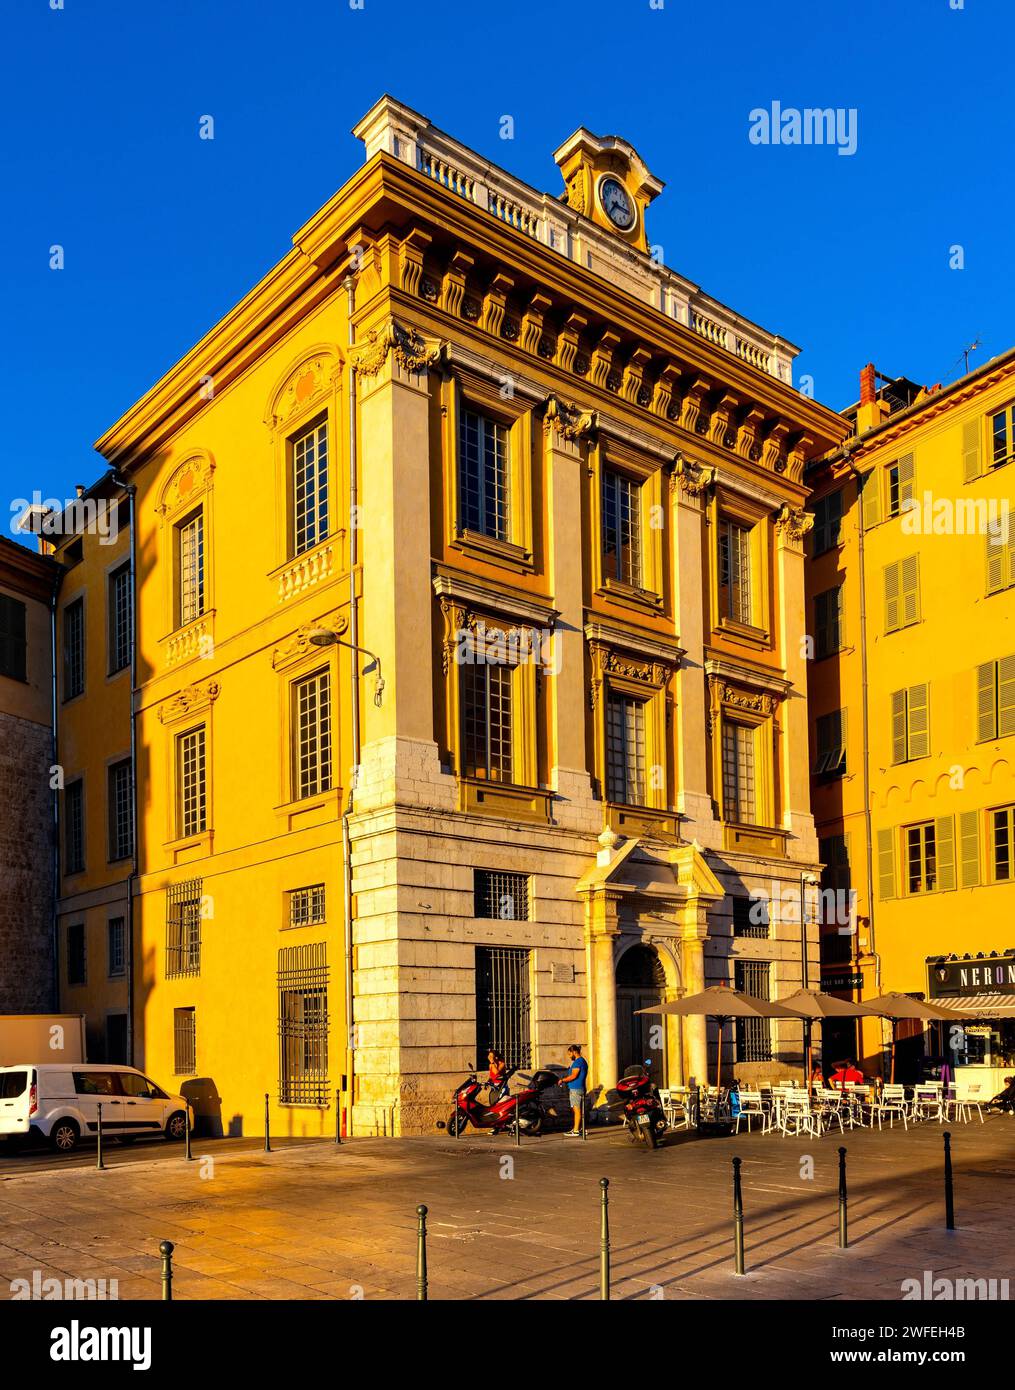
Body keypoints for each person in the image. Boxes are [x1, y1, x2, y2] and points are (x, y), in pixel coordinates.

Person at [560, 1043, 588, 1136]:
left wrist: (562, 1080)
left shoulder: (578, 1062)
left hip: (576, 1088)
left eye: (569, 1054)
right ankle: (579, 1128)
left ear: (574, 1052)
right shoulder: (582, 1061)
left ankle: (576, 1130)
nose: (569, 1056)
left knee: (577, 1110)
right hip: (579, 1088)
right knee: (577, 1109)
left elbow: (574, 1076)